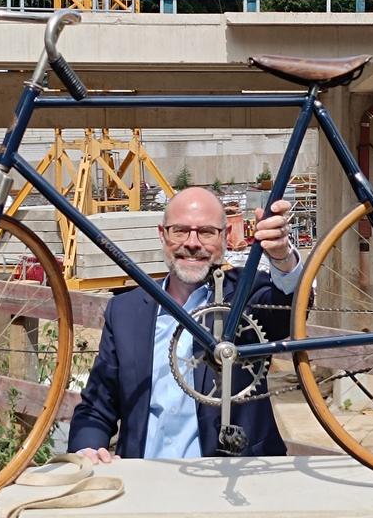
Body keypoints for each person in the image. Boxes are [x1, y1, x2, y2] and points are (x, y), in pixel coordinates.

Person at [69, 187, 302, 463]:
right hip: (145, 476)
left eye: (206, 232)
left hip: (235, 475)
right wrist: (87, 450)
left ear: (226, 236)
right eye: (180, 231)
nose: (192, 243)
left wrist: (282, 258)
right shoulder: (125, 311)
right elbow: (96, 407)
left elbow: (288, 308)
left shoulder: (246, 294)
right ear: (162, 234)